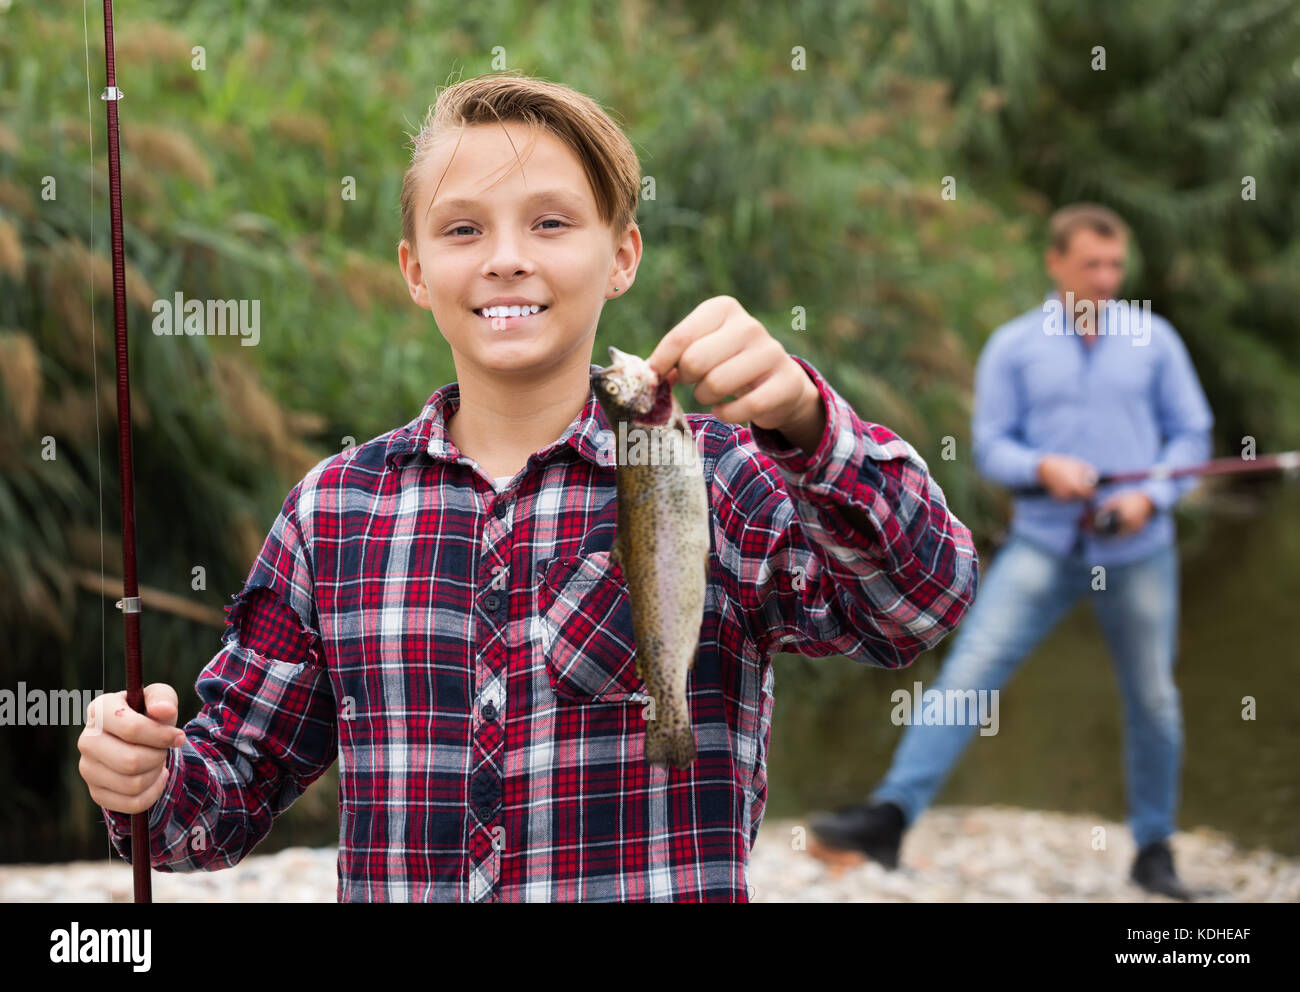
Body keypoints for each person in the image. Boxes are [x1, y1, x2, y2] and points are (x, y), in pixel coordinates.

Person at [77, 72, 978, 902]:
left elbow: (919, 607)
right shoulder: (333, 511)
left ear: (621, 256)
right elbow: (223, 799)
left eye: (550, 223)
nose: (506, 258)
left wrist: (809, 426)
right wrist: (146, 784)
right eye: (463, 228)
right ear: (415, 271)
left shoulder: (720, 472)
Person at [812, 204, 1214, 901]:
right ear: (1056, 263)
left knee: (1153, 699)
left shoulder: (1157, 340)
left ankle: (1154, 849)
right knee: (969, 673)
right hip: (1043, 542)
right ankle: (891, 815)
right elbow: (994, 446)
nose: (1107, 279)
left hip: (1139, 547)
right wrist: (1043, 469)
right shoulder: (1013, 347)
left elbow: (1193, 437)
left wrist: (1150, 496)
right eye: (1093, 264)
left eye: (1116, 265)